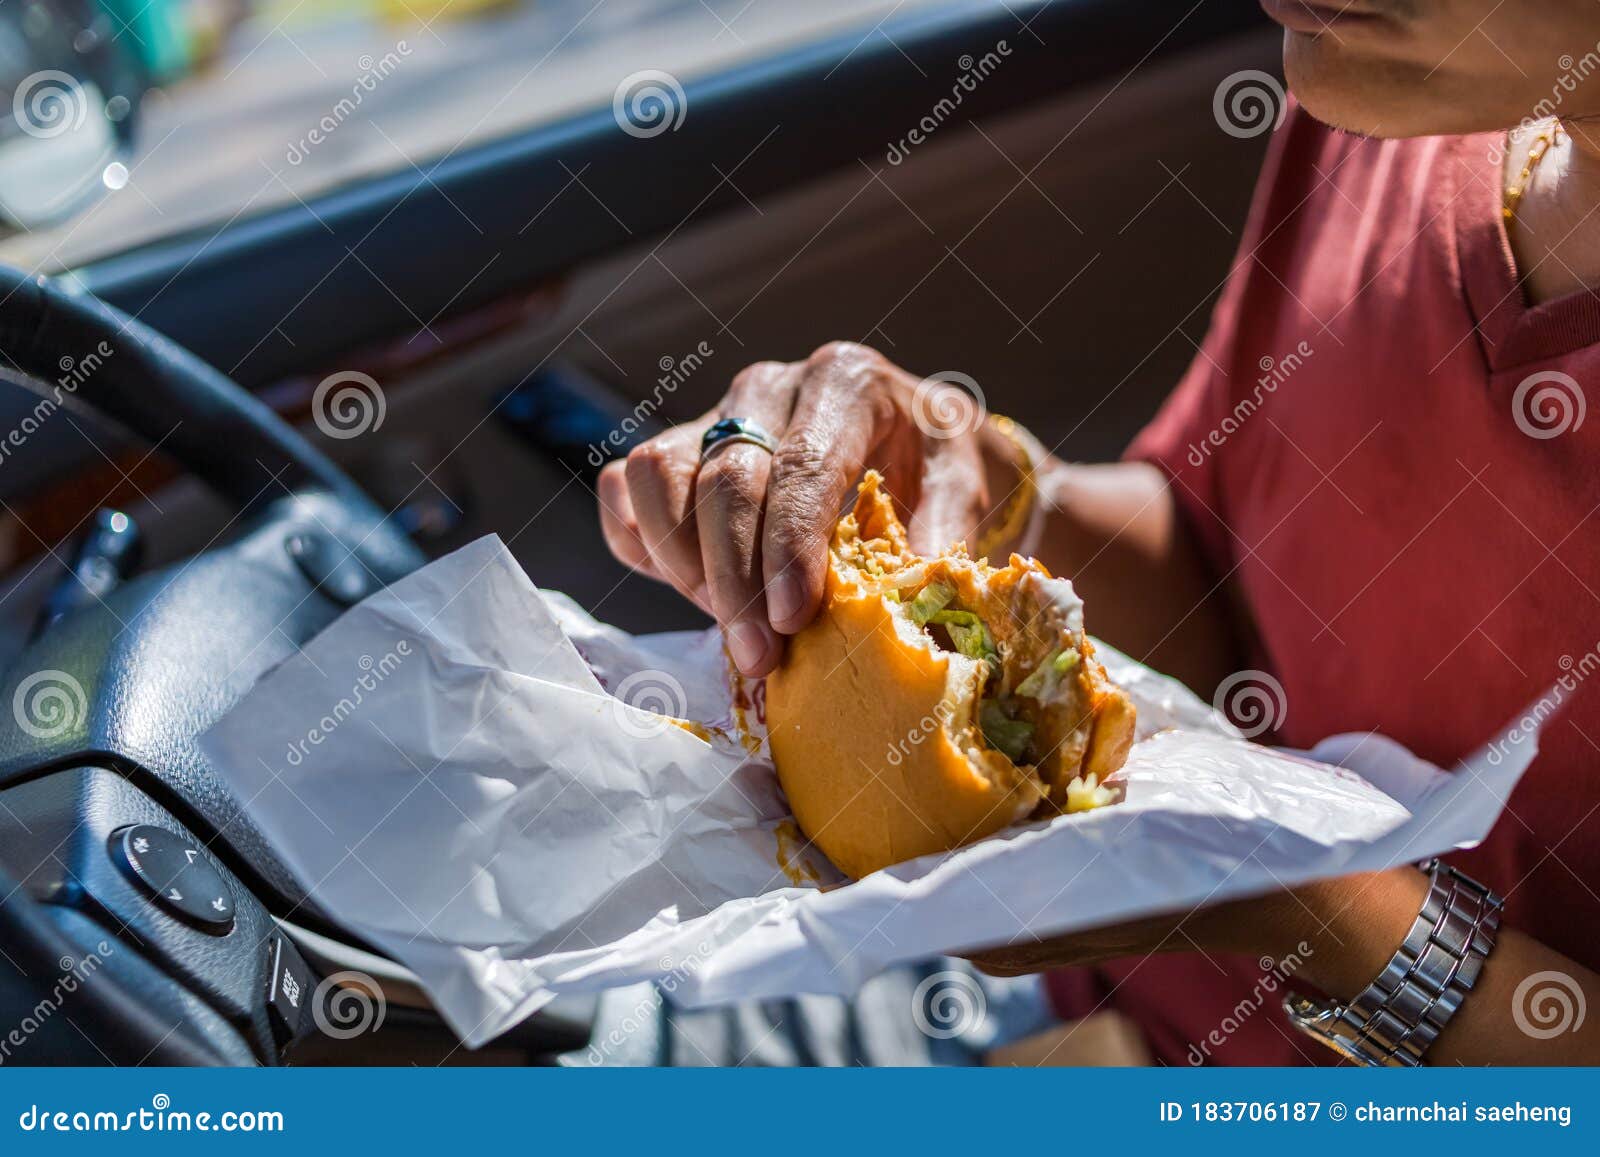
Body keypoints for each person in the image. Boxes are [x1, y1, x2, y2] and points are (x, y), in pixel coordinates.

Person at [596, 0, 1600, 1065]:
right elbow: (1234, 594)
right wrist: (997, 490)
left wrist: (1315, 911)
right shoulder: (1393, 89)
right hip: (1041, 1010)